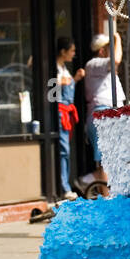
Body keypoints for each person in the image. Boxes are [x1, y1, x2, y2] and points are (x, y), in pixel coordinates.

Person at [82, 31, 126, 184]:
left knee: (112, 159)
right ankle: (106, 199)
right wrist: (118, 38)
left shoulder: (99, 66)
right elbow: (117, 60)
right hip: (103, 114)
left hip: (107, 113)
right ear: (102, 51)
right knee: (106, 160)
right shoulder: (95, 63)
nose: (111, 51)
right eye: (109, 48)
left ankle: (87, 181)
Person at [55, 37, 83, 200]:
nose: (74, 54)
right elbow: (51, 92)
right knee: (63, 150)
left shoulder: (63, 67)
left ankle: (65, 185)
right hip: (60, 113)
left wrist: (74, 79)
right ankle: (63, 187)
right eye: (71, 50)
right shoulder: (54, 69)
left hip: (66, 112)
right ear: (63, 51)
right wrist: (61, 81)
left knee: (65, 150)